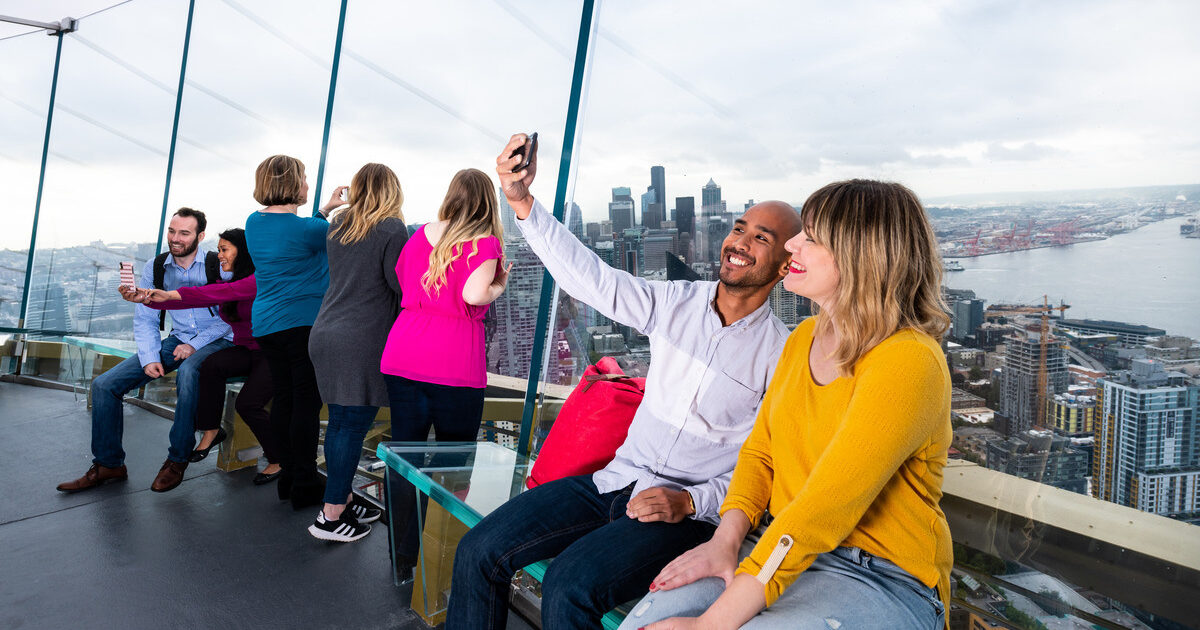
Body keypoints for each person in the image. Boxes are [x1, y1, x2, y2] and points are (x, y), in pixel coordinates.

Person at [444, 135, 803, 629]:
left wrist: (692, 500)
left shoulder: (783, 355)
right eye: (740, 228)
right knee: (479, 548)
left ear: (787, 266)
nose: (740, 242)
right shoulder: (675, 302)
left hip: (685, 514)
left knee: (569, 587)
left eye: (761, 238)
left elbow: (771, 466)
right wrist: (521, 201)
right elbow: (590, 278)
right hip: (616, 480)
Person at [623, 180, 953, 630]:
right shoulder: (800, 340)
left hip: (881, 574)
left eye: (811, 237)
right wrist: (725, 541)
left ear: (862, 254)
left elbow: (823, 508)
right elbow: (761, 453)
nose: (793, 243)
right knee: (647, 621)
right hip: (777, 543)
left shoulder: (907, 359)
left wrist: (710, 626)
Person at [379, 168, 510, 566]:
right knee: (455, 463)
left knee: (407, 458)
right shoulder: (485, 242)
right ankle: (444, 557)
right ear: (488, 201)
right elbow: (473, 292)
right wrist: (497, 287)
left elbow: (403, 282)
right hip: (453, 364)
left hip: (403, 353)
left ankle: (404, 556)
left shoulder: (420, 234)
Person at [57, 208, 235, 494]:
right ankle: (108, 464)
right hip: (178, 339)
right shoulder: (156, 267)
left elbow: (229, 319)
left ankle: (177, 459)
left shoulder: (219, 266)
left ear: (201, 236)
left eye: (185, 233)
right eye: (172, 231)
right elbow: (146, 317)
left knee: (188, 372)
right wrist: (151, 357)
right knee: (105, 385)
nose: (176, 239)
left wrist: (194, 346)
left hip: (217, 340)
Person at [130, 228, 283, 485]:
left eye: (225, 250)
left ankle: (278, 458)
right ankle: (212, 429)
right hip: (247, 349)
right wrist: (147, 300)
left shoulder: (258, 280)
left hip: (272, 352)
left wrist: (165, 295)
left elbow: (212, 294)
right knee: (209, 366)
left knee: (247, 404)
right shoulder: (229, 283)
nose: (219, 255)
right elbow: (197, 299)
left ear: (243, 252)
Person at [306, 163, 409, 542]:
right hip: (360, 339)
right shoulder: (391, 228)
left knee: (340, 422)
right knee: (350, 425)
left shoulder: (339, 225)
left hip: (327, 331)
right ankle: (330, 516)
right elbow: (398, 284)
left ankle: (343, 498)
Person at [244, 154, 346, 510]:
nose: (306, 184)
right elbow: (338, 240)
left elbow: (297, 236)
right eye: (303, 178)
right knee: (306, 404)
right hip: (302, 325)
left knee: (285, 400)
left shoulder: (253, 223)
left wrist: (325, 209)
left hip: (267, 325)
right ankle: (304, 483)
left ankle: (288, 477)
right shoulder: (310, 231)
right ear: (291, 184)